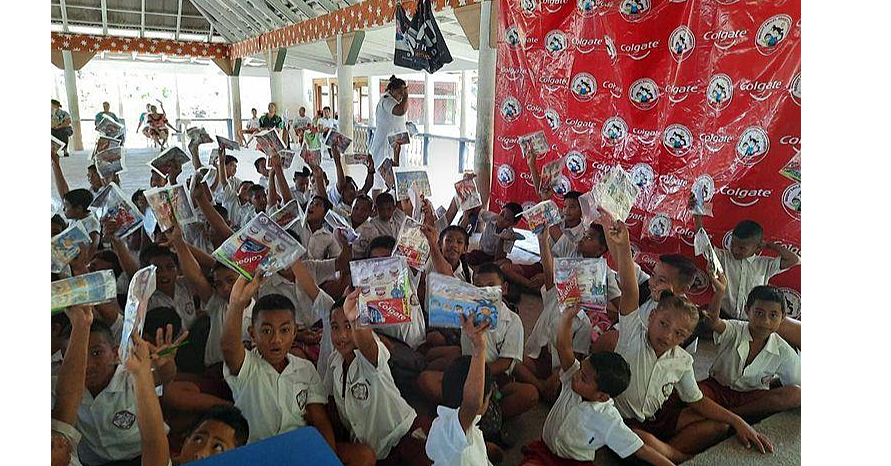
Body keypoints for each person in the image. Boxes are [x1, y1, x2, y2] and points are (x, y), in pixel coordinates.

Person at [601, 208, 773, 462]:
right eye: (663, 324)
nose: (668, 334)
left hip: (657, 416)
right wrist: (623, 243)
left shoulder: (683, 360)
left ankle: (662, 454)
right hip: (624, 420)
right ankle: (676, 456)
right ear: (651, 318)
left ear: (687, 338)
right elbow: (628, 288)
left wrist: (738, 422)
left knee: (718, 426)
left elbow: (697, 400)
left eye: (679, 333)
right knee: (643, 441)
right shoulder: (632, 332)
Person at [222, 278, 374, 465]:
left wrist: (326, 458)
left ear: (294, 332)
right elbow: (229, 348)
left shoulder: (305, 369)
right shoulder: (246, 365)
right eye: (267, 331)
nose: (276, 339)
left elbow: (319, 420)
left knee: (363, 456)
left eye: (284, 330)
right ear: (253, 334)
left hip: (298, 447)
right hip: (260, 452)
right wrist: (236, 304)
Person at [520, 303, 677, 466]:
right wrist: (567, 317)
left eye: (584, 378)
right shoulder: (574, 378)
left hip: (575, 463)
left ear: (602, 397)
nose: (576, 376)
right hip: (545, 450)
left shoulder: (608, 418)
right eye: (581, 370)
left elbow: (641, 449)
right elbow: (564, 347)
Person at [324, 289, 432, 466]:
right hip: (373, 450)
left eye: (348, 327)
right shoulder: (333, 363)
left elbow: (367, 345)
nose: (342, 335)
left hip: (403, 436)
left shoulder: (371, 355)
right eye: (335, 327)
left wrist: (356, 319)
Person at [699, 280, 805, 422]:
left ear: (783, 317)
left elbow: (797, 384)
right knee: (689, 395)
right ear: (747, 310)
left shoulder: (782, 349)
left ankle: (732, 415)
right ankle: (731, 418)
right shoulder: (735, 329)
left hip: (750, 397)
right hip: (717, 388)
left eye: (773, 315)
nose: (765, 322)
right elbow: (711, 322)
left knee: (796, 394)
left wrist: (773, 386)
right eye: (759, 313)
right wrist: (719, 293)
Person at [692, 208, 802, 321]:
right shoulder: (722, 257)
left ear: (758, 247)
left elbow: (793, 260)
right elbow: (703, 242)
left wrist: (769, 245)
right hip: (723, 316)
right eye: (732, 244)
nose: (735, 250)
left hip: (751, 320)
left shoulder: (764, 264)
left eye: (742, 248)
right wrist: (697, 215)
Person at [425, 316, 495, 466]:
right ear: (482, 403)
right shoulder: (455, 429)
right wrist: (479, 349)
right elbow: (471, 402)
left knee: (492, 452)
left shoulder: (454, 426)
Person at [369, 76, 409, 194]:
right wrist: (407, 95)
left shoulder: (393, 100)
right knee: (379, 182)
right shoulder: (387, 100)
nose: (402, 95)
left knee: (397, 182)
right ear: (392, 90)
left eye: (403, 93)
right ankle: (376, 209)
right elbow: (401, 110)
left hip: (394, 149)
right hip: (384, 150)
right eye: (400, 92)